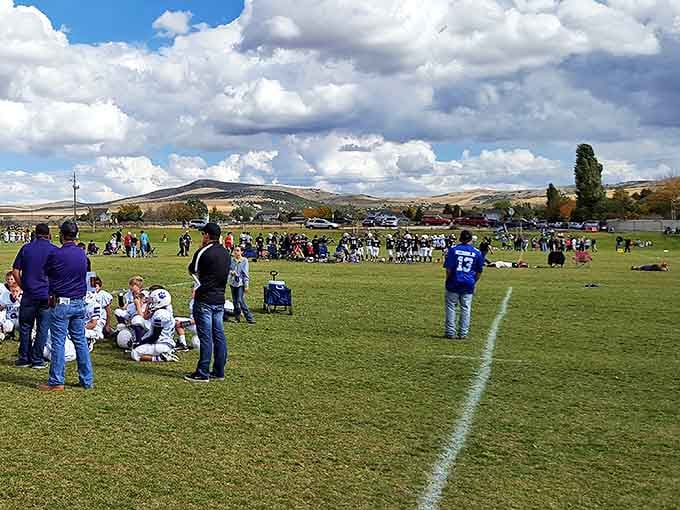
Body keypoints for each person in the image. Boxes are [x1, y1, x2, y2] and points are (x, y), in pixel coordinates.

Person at [38, 221, 94, 391]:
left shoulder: (56, 254)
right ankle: (87, 380)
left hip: (62, 303)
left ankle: (57, 381)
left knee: (58, 342)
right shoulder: (82, 254)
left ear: (61, 235)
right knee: (80, 341)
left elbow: (46, 273)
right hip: (79, 302)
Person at [185, 223, 231, 383]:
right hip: (220, 299)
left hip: (204, 299)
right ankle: (219, 371)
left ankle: (202, 372)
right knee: (219, 336)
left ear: (206, 235)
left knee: (205, 337)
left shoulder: (203, 252)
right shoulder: (226, 253)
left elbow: (192, 269)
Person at [12, 223, 55, 369]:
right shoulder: (54, 250)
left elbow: (16, 270)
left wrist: (22, 285)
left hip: (29, 293)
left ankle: (24, 358)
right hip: (46, 294)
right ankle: (37, 360)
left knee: (25, 326)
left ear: (35, 234)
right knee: (43, 327)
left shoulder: (26, 248)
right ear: (48, 234)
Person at [443, 230, 484, 340]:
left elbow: (449, 268)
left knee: (451, 307)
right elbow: (479, 271)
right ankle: (463, 333)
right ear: (471, 239)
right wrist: (473, 281)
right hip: (468, 282)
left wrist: (448, 279)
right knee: (465, 308)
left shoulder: (453, 250)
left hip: (454, 281)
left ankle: (450, 331)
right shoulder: (477, 252)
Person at [229, 246, 255, 324]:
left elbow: (245, 274)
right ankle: (237, 318)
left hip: (240, 284)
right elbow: (229, 269)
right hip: (232, 283)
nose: (236, 252)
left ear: (241, 252)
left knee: (240, 300)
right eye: (235, 250)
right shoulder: (232, 260)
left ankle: (249, 318)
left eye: (237, 250)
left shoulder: (244, 261)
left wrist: (246, 285)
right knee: (235, 301)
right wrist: (231, 272)